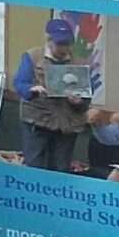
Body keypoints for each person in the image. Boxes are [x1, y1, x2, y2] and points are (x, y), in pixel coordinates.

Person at [10, 17, 94, 173]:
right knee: (34, 166)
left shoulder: (80, 62)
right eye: (59, 43)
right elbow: (19, 82)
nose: (63, 48)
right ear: (48, 39)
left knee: (60, 169)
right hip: (38, 121)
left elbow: (87, 96)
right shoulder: (32, 57)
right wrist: (32, 89)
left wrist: (79, 102)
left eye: (67, 44)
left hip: (67, 124)